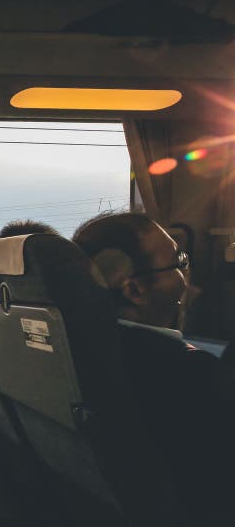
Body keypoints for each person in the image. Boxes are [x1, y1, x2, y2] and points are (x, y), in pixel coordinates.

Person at [73, 212, 229, 518]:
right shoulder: (190, 374)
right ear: (135, 291)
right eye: (178, 261)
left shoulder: (87, 352)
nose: (187, 273)